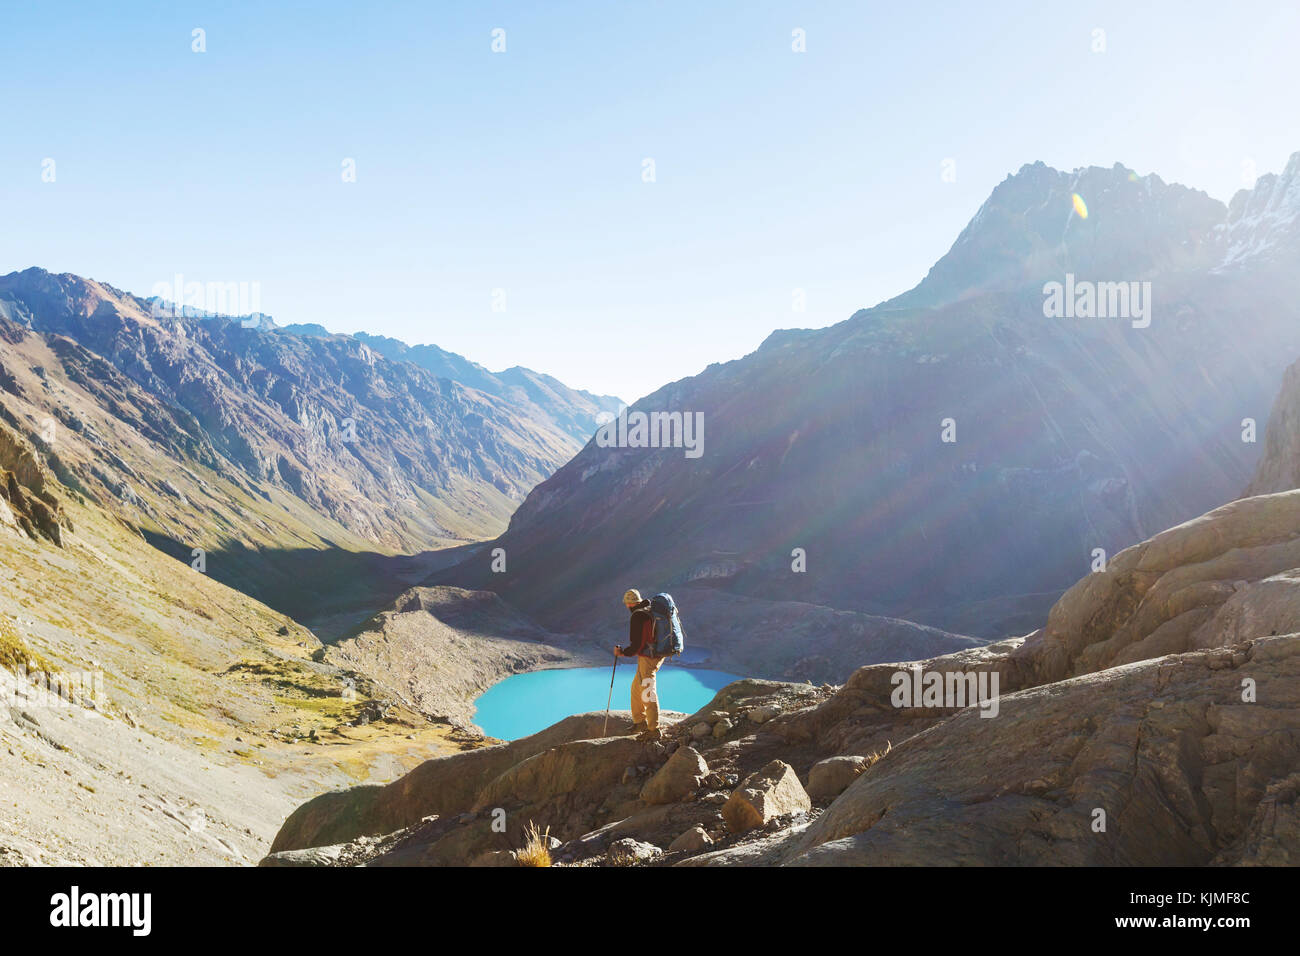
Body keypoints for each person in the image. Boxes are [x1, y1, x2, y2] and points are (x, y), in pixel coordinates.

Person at [614, 588, 664, 741]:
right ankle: (639, 721)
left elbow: (636, 645)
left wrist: (622, 652)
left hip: (648, 657)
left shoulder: (638, 616)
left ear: (628, 604)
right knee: (636, 688)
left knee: (647, 689)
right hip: (655, 654)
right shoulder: (649, 609)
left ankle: (653, 729)